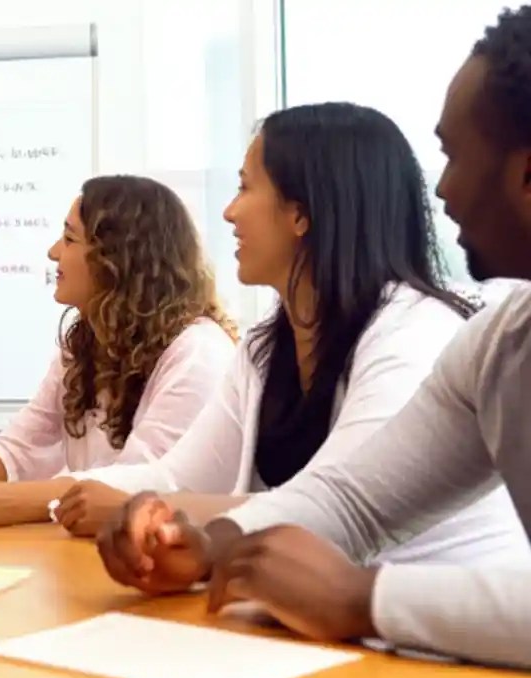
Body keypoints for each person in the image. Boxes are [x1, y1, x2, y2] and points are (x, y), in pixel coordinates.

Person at [95, 6, 531, 669]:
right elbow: (355, 500)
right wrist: (211, 545)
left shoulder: (424, 328)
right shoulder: (503, 339)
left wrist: (366, 598)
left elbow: (360, 558)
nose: (442, 190)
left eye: (455, 155)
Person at [49, 102, 529, 564]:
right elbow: (181, 477)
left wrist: (150, 512)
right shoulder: (264, 345)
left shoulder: (414, 334)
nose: (229, 212)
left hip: (434, 631)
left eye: (244, 188)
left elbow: (332, 511)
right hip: (326, 622)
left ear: (300, 215)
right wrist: (89, 497)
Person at [0, 176, 237, 527]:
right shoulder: (85, 341)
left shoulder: (197, 353)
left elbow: (140, 484)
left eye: (69, 239)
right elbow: (24, 442)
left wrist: (4, 499)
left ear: (117, 259)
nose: (53, 252)